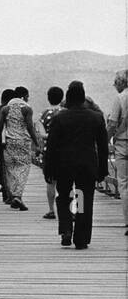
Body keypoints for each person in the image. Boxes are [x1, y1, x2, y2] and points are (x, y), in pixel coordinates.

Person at [43, 81, 109, 249]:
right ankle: (81, 237)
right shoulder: (96, 117)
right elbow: (102, 146)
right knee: (83, 199)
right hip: (87, 165)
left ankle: (66, 228)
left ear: (69, 98)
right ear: (83, 97)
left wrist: (48, 168)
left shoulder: (60, 118)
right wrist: (103, 169)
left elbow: (51, 146)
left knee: (64, 196)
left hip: (63, 164)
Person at [0, 86, 39, 210]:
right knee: (23, 168)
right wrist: (36, 142)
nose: (28, 98)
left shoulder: (5, 109)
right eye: (27, 96)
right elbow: (30, 127)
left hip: (9, 142)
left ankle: (13, 194)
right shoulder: (27, 109)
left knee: (10, 169)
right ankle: (18, 195)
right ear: (23, 96)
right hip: (23, 142)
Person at [106, 69, 128, 233]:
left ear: (122, 83)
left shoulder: (120, 98)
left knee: (124, 183)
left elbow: (112, 123)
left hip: (123, 143)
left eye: (116, 83)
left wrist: (105, 141)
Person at [38, 87, 63, 218]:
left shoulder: (43, 114)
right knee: (71, 184)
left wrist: (51, 135)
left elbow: (42, 134)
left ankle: (51, 210)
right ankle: (74, 209)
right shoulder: (66, 113)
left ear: (48, 98)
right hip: (66, 152)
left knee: (50, 182)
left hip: (50, 153)